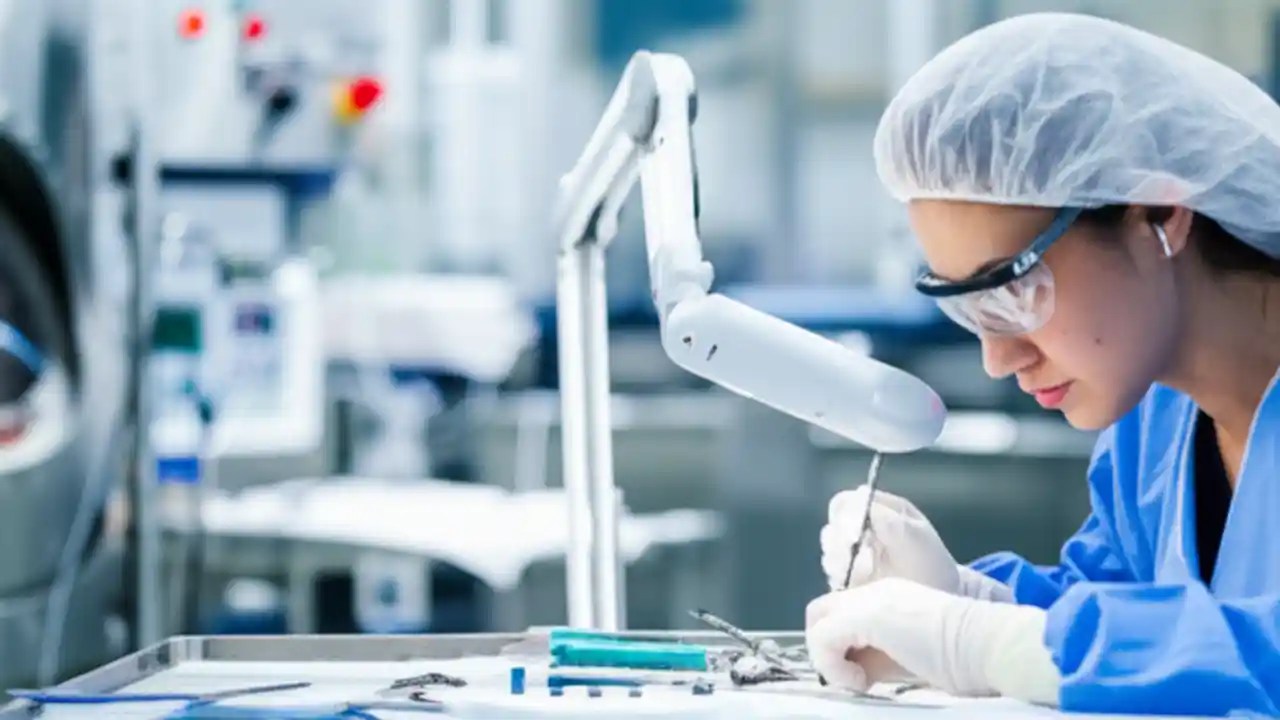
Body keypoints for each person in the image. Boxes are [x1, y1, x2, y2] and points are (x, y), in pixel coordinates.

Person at [804, 12, 1280, 717]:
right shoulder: (1152, 430)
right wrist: (969, 599)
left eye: (1017, 290)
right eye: (971, 307)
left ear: (1157, 212)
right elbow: (1133, 611)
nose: (999, 358)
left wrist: (997, 645)